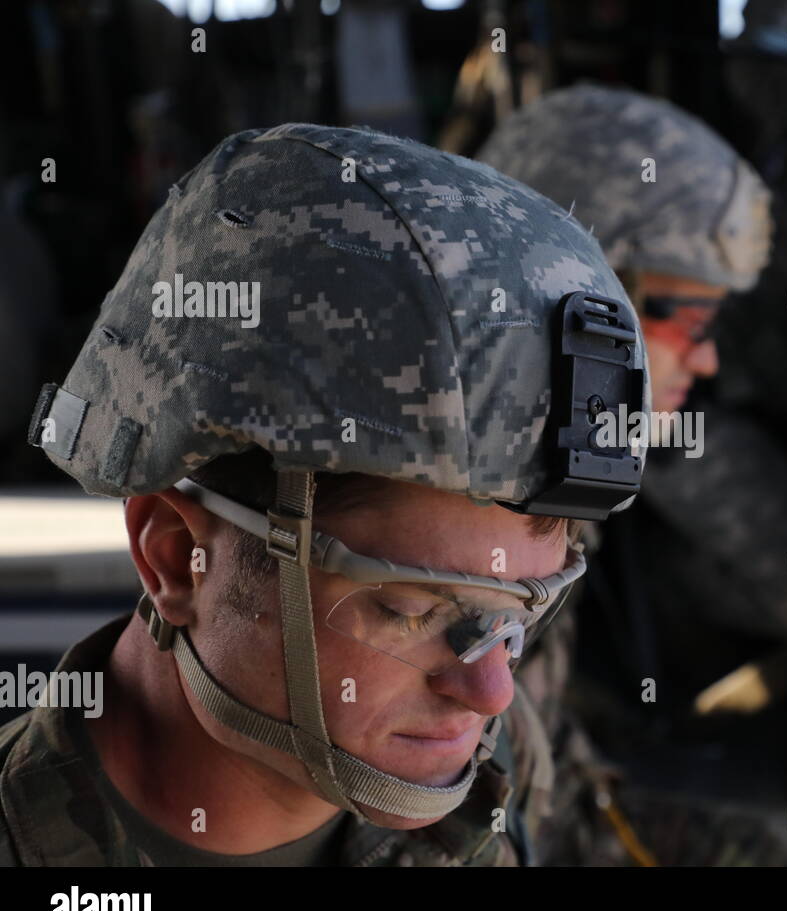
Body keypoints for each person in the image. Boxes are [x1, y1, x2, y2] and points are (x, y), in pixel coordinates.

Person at [0, 122, 648, 866]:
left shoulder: (495, 774)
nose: (492, 690)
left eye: (525, 605)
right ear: (179, 560)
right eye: (411, 609)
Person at [478, 84, 787, 865]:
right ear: (583, 298)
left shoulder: (550, 477)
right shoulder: (468, 518)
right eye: (689, 323)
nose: (709, 358)